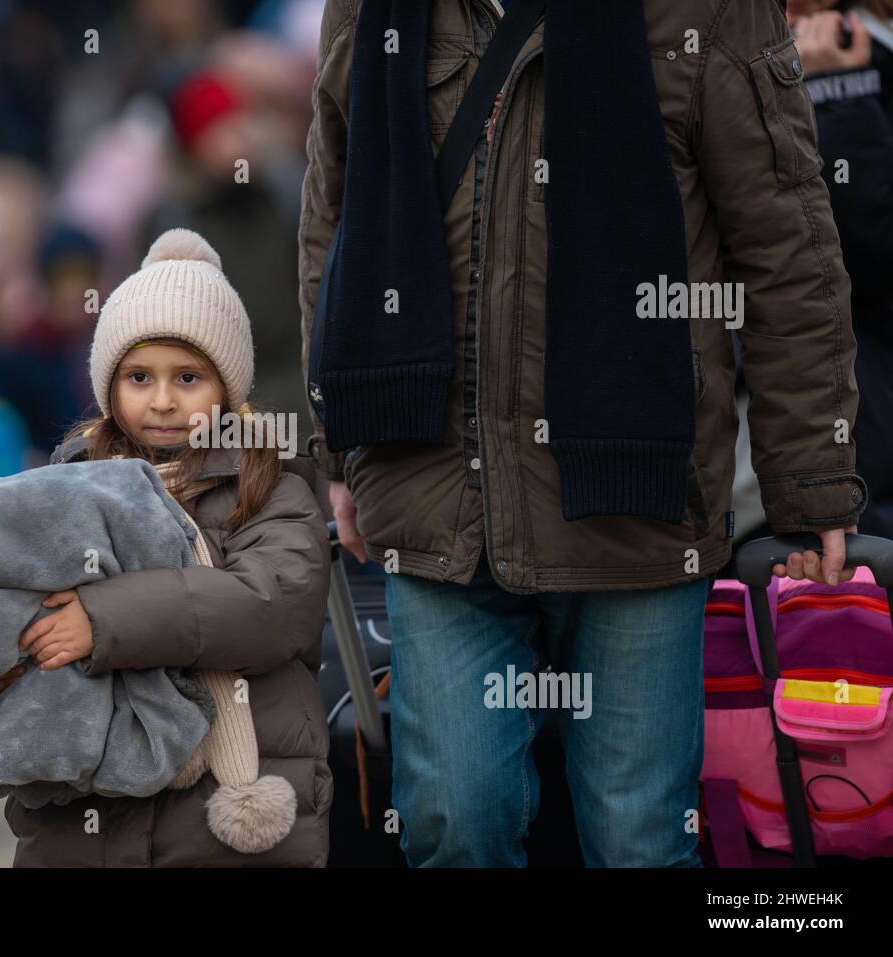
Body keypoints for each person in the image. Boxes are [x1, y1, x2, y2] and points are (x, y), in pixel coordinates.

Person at [300, 0, 868, 866]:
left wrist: (813, 476)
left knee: (639, 843)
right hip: (436, 493)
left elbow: (785, 240)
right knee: (456, 827)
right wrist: (342, 444)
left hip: (637, 512)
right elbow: (333, 225)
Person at [0, 228, 333, 867]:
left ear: (227, 388)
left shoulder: (269, 485)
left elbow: (269, 604)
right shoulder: (63, 486)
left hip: (214, 815)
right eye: (139, 376)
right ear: (109, 384)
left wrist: (100, 620)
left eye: (189, 377)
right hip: (78, 821)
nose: (163, 400)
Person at [790, 0, 893, 538]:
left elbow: (862, 260)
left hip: (863, 466)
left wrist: (836, 93)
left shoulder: (860, 60)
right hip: (793, 473)